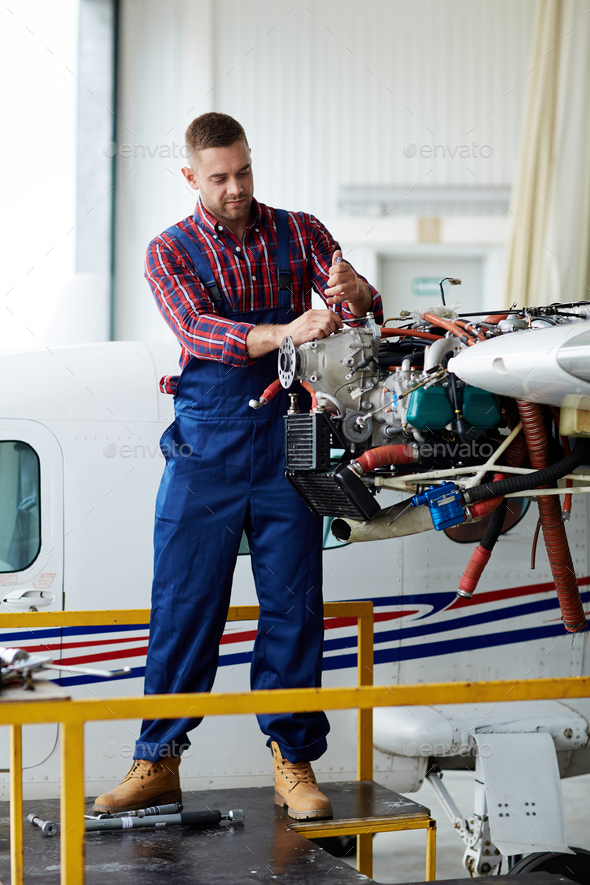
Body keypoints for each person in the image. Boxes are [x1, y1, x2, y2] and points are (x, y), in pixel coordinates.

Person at [92, 112, 382, 820]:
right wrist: (286, 329)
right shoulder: (170, 250)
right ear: (191, 176)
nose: (235, 188)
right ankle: (156, 760)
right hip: (207, 450)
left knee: (293, 605)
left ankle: (294, 762)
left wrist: (355, 290)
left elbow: (357, 306)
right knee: (184, 607)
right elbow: (199, 330)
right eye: (219, 177)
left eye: (244, 171)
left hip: (290, 439)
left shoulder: (301, 229)